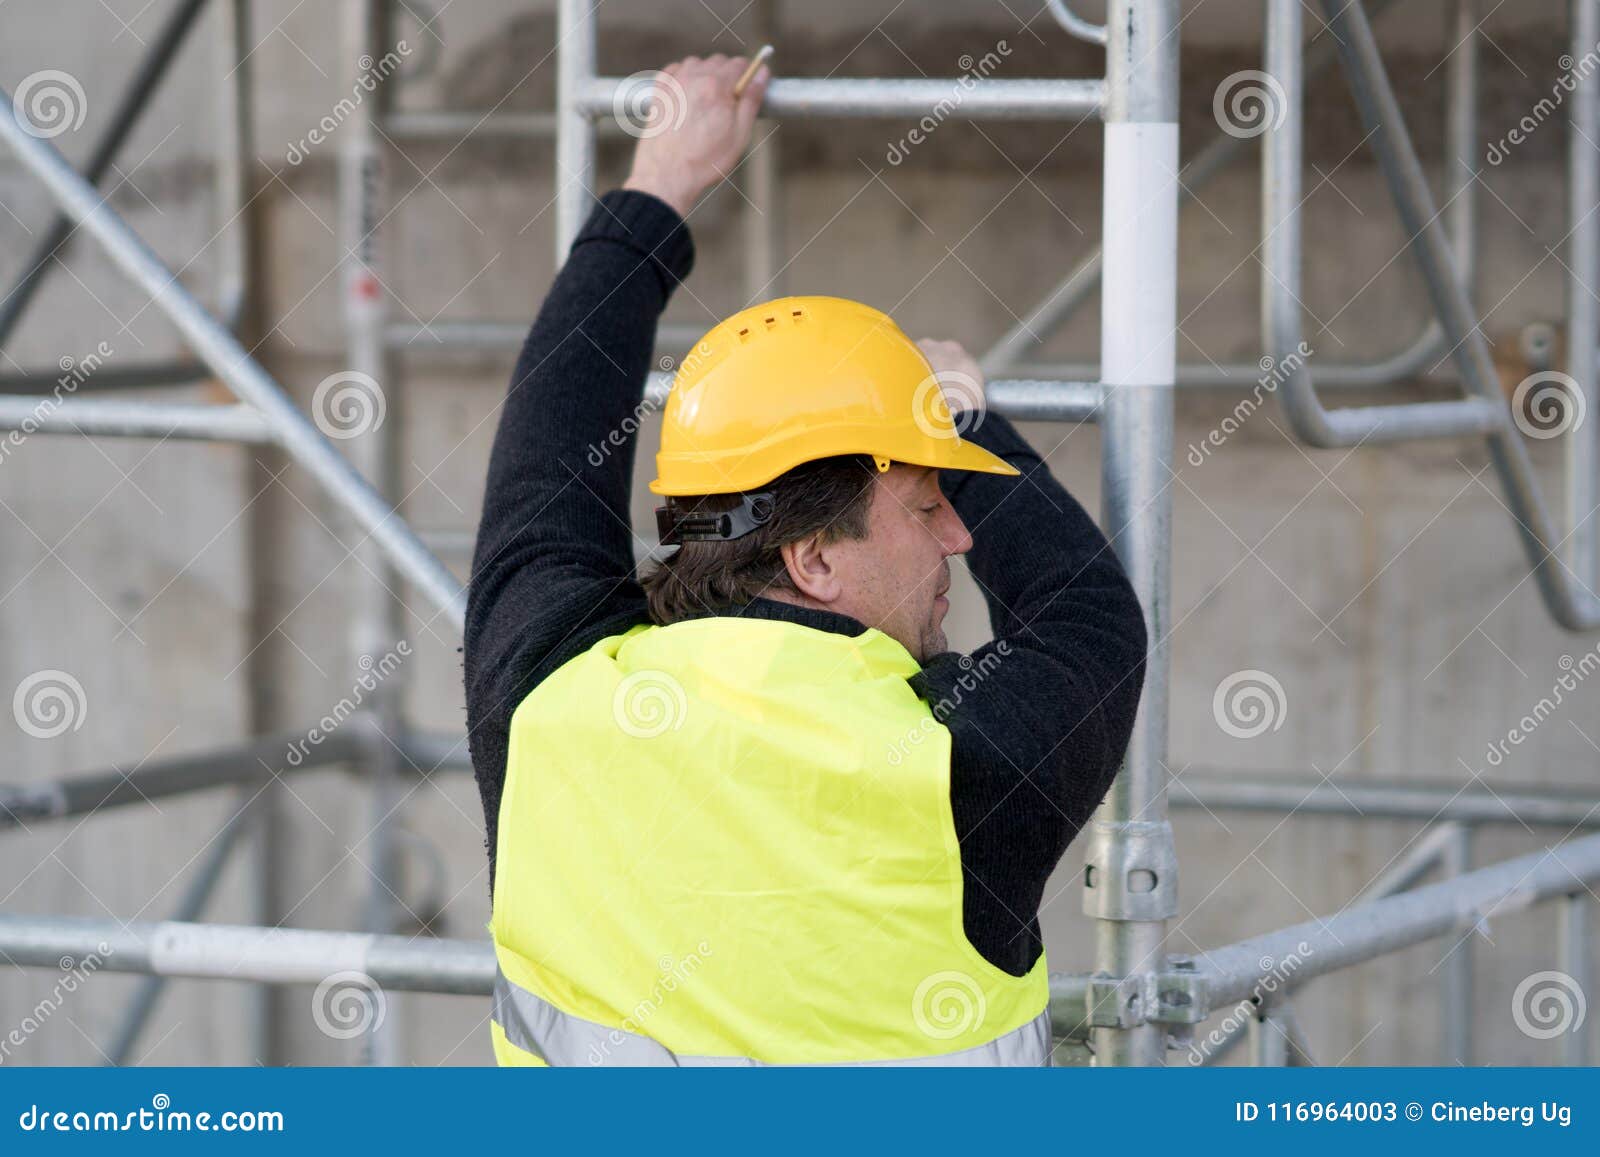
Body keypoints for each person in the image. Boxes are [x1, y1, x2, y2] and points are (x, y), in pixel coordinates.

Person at [464, 53, 1148, 1066]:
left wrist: (655, 187)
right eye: (926, 502)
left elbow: (545, 464)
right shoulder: (961, 765)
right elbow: (1090, 616)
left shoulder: (545, 703)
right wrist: (970, 421)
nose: (960, 530)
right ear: (815, 556)